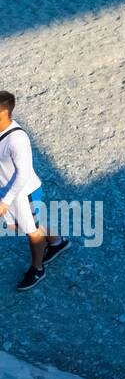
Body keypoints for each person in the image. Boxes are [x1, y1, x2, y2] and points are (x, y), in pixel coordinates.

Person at [0, 92, 71, 291]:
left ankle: (37, 268)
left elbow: (23, 175)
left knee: (32, 232)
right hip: (7, 191)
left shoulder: (17, 141)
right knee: (24, 226)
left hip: (24, 193)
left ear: (4, 112)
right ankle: (57, 242)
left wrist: (5, 202)